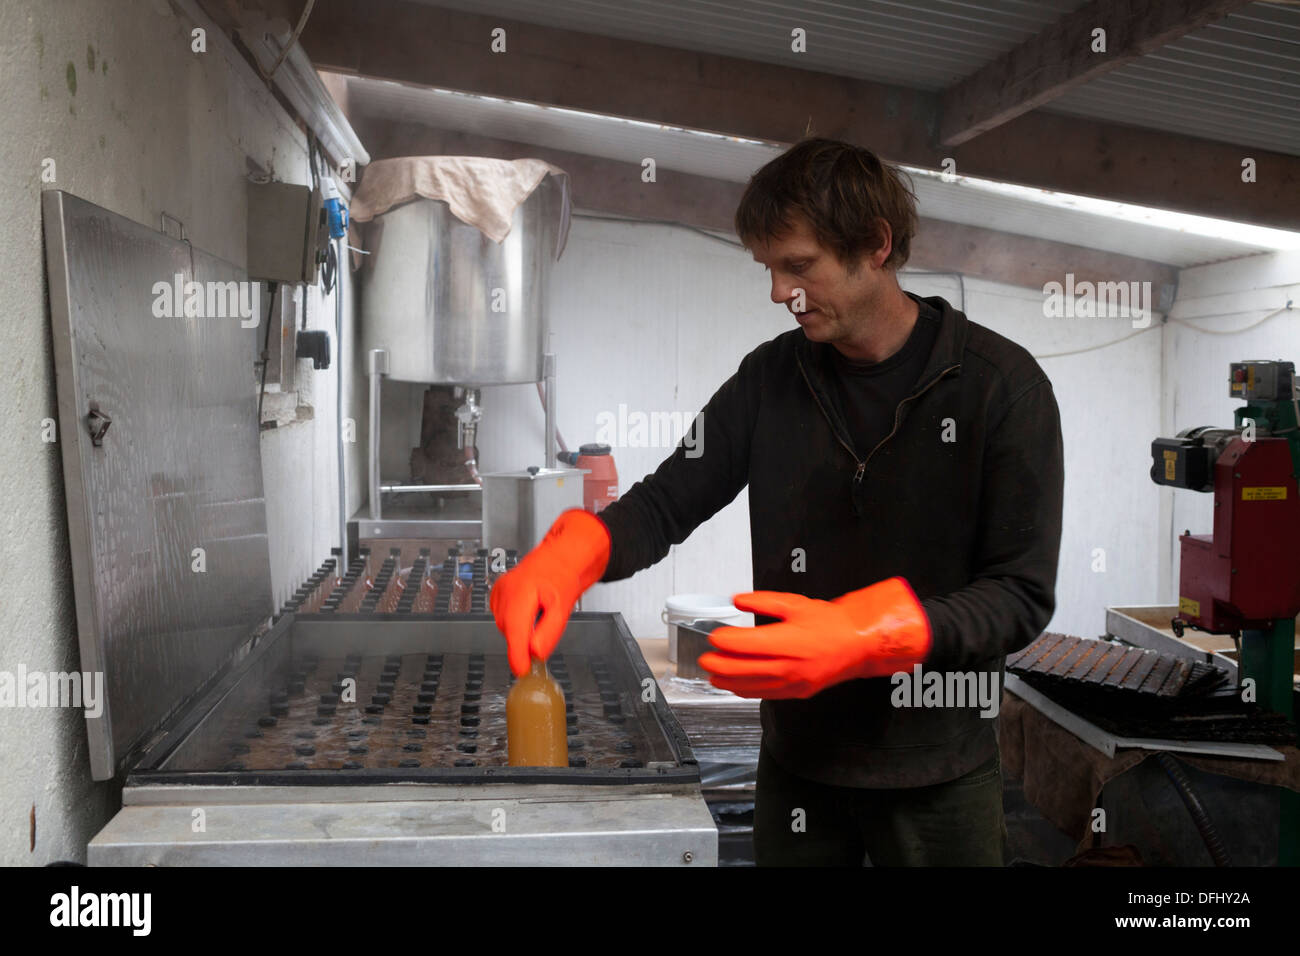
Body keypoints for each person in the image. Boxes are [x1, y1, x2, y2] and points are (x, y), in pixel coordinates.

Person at [490, 138, 1064, 866]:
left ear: (875, 246)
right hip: (801, 773)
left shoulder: (999, 388)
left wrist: (869, 634)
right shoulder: (771, 381)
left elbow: (1018, 593)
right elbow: (667, 502)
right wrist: (580, 550)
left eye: (798, 267)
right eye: (769, 268)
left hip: (938, 779)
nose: (778, 293)